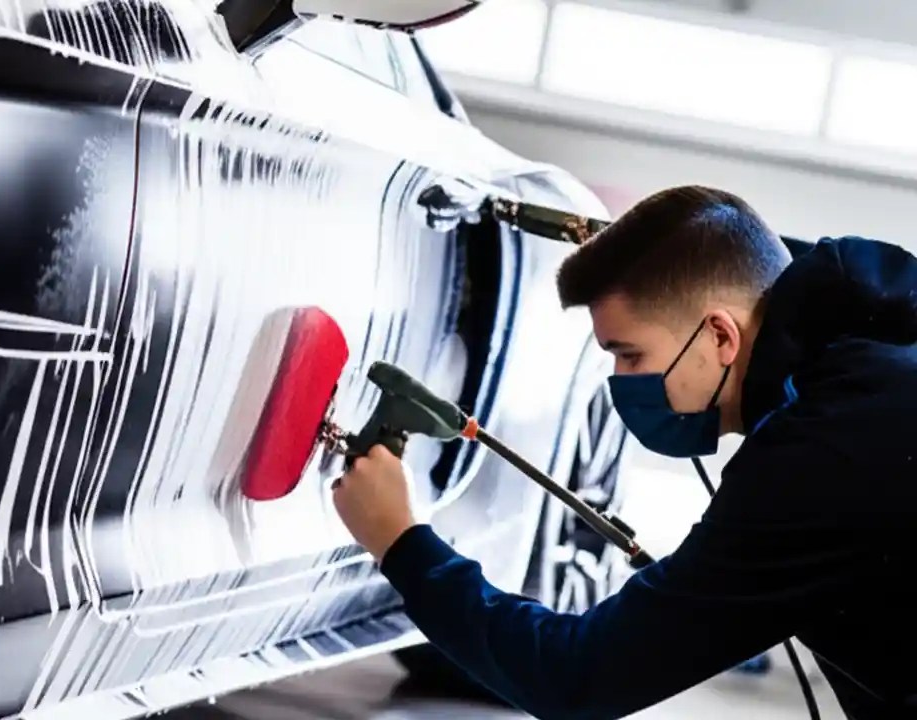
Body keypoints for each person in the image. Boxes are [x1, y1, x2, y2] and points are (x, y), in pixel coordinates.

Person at [331, 185, 917, 719]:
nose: (619, 383)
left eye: (630, 355)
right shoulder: (877, 350)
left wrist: (401, 543)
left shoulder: (825, 453)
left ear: (719, 335)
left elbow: (578, 677)